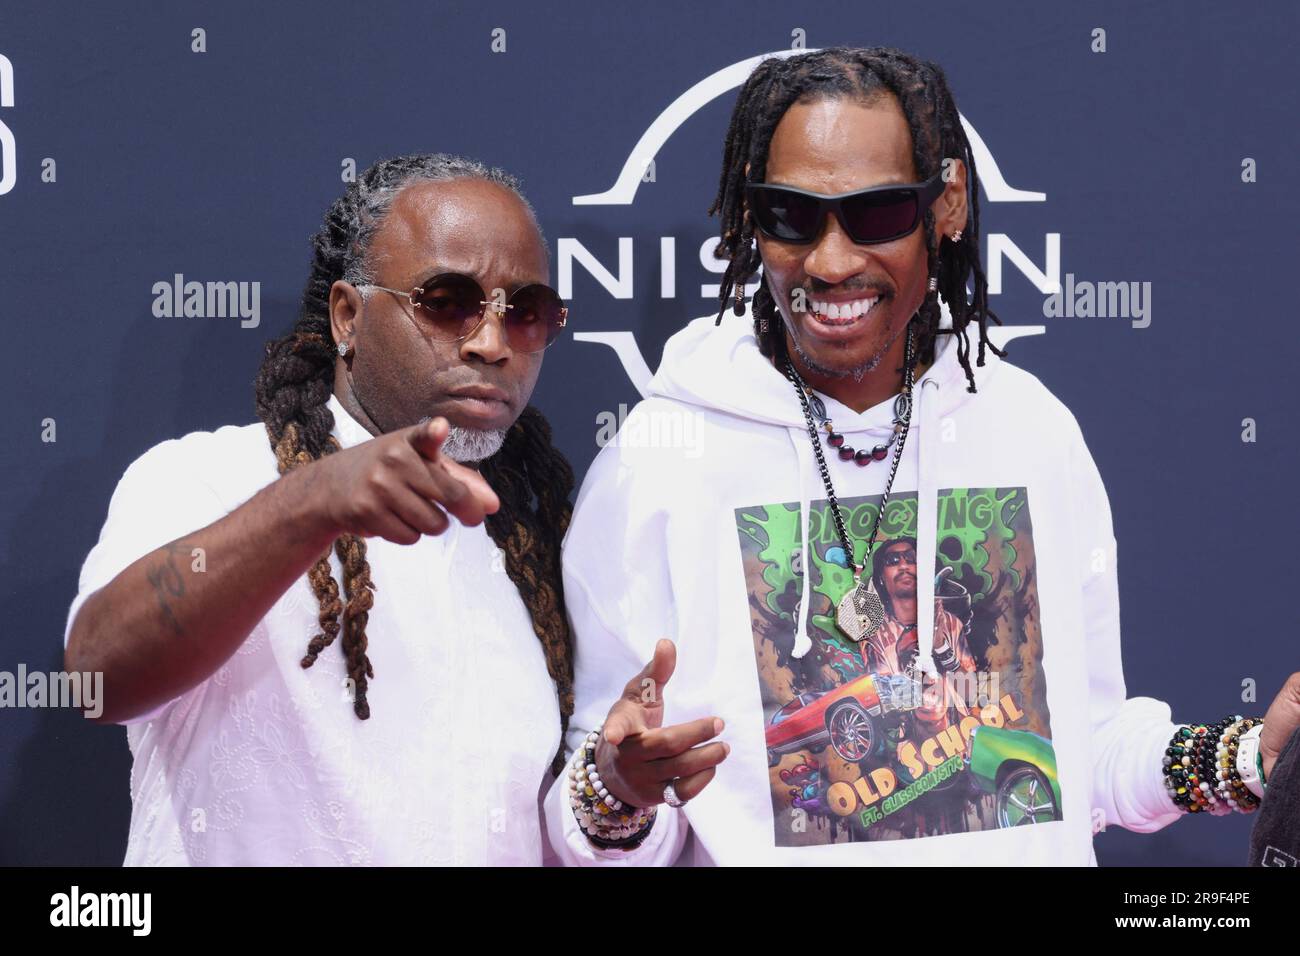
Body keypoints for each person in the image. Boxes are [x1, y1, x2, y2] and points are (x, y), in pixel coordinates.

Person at [547, 47, 1300, 863]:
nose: (831, 262)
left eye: (875, 216)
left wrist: (1245, 760)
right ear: (746, 221)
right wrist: (616, 795)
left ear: (945, 207)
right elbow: (602, 805)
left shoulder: (1031, 429)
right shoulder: (658, 459)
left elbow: (1084, 753)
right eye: (790, 216)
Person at [64, 153, 575, 865]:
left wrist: (614, 794)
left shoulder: (534, 547)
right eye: (447, 302)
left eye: (525, 313)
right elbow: (97, 677)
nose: (491, 344)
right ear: (347, 316)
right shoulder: (209, 476)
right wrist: (312, 501)